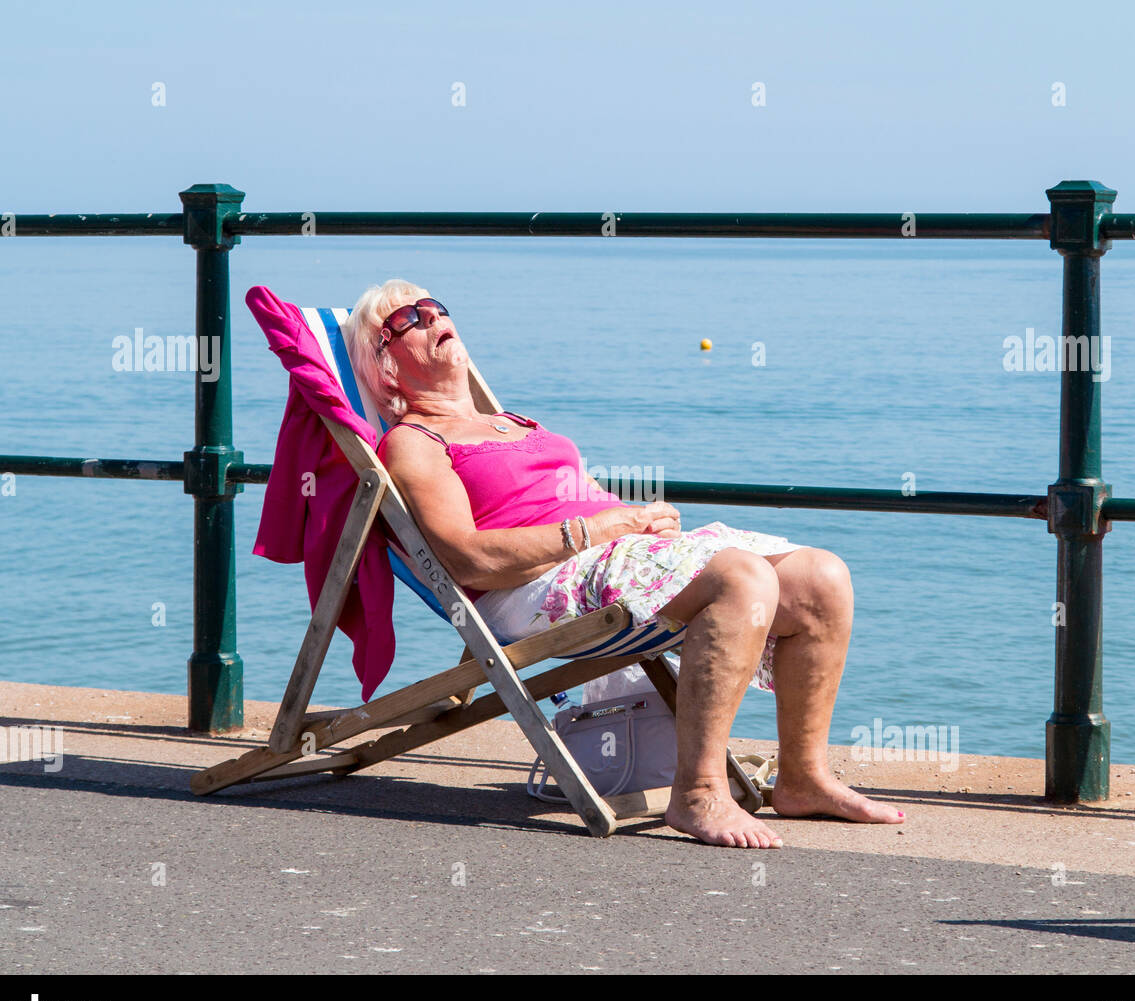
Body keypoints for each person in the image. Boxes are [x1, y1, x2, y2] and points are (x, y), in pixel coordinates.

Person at [342, 280, 904, 848]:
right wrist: (599, 528)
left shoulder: (512, 422)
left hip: (608, 556)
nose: (434, 314)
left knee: (821, 578)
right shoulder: (415, 442)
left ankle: (804, 779)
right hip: (537, 587)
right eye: (411, 316)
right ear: (386, 364)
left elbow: (581, 501)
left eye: (438, 306)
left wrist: (636, 519)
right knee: (740, 576)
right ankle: (699, 792)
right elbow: (469, 559)